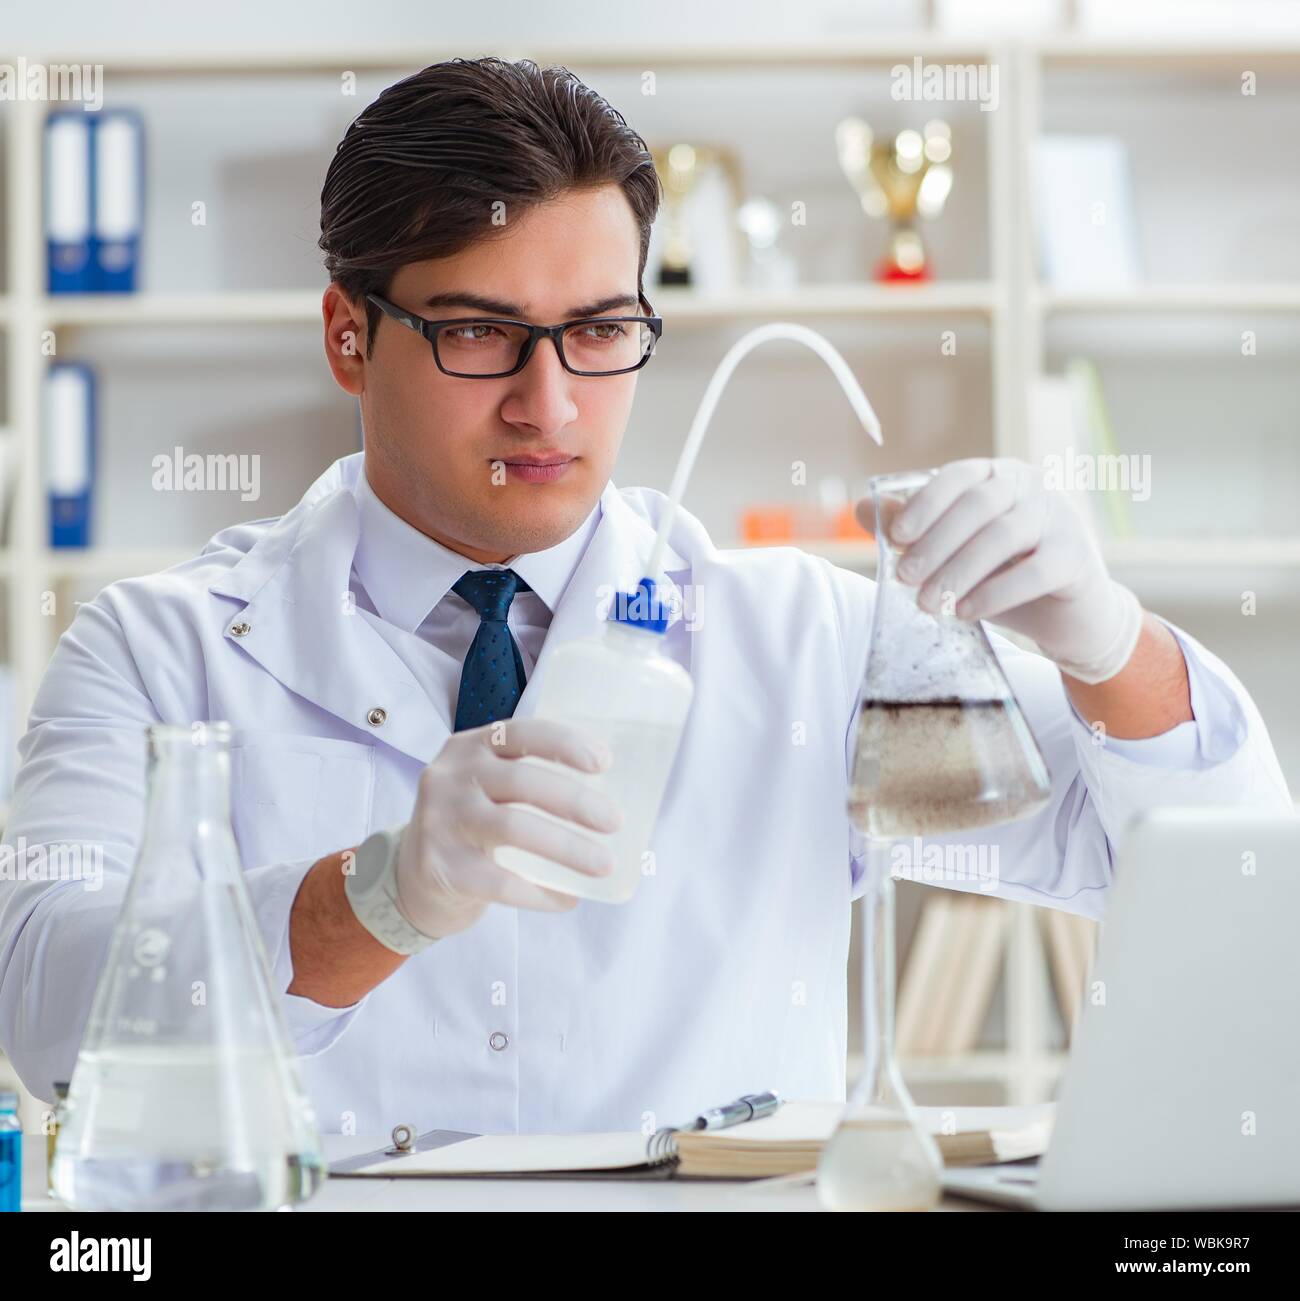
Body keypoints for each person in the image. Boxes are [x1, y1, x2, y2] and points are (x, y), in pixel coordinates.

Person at [0, 58, 1288, 1137]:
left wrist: (1109, 646)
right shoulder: (160, 651)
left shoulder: (804, 652)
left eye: (601, 331)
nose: (549, 403)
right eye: (479, 332)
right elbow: (51, 1028)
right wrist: (376, 897)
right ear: (349, 333)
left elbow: (1206, 887)